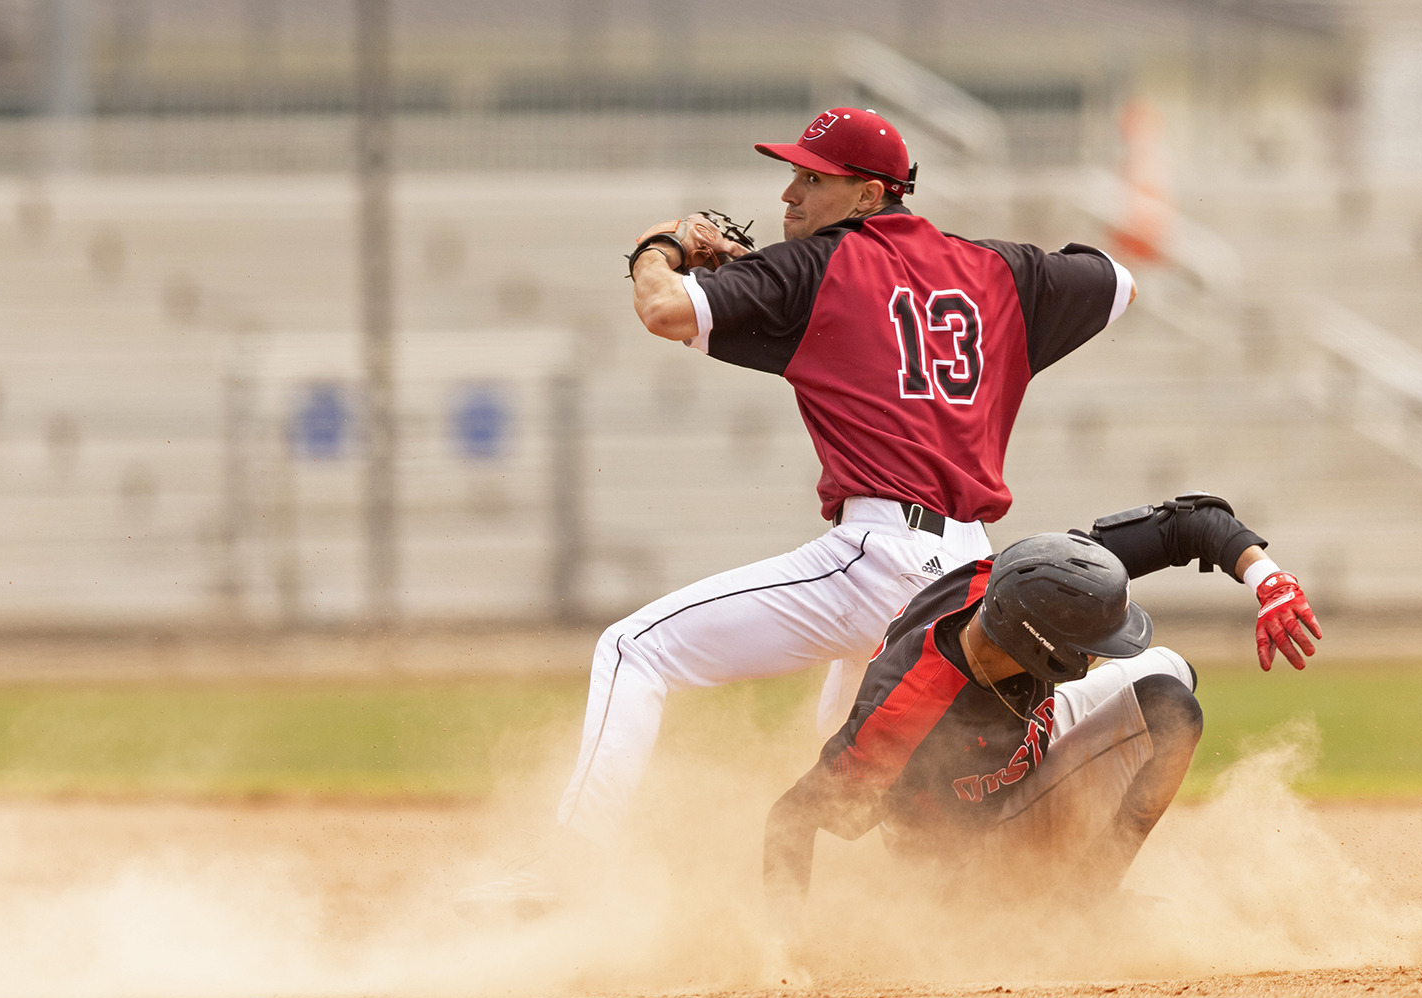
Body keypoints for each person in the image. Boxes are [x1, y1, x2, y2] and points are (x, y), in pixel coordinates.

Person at [458, 107, 1139, 919]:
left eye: (811, 178)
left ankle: (569, 870)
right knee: (856, 757)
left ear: (866, 190)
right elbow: (1116, 280)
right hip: (967, 576)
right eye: (792, 173)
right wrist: (985, 274)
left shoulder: (813, 270)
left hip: (878, 555)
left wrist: (661, 243)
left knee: (632, 651)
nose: (788, 192)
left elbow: (664, 309)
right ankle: (970, 905)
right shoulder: (996, 271)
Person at [760, 493, 1321, 981]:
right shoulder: (909, 717)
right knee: (1169, 711)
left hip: (1013, 742)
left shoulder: (1026, 581)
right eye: (1092, 644)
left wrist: (1267, 578)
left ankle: (1084, 896)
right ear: (1042, 650)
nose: (1103, 650)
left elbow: (1190, 521)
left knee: (1171, 669)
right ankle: (1075, 917)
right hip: (966, 853)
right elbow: (792, 817)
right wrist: (782, 951)